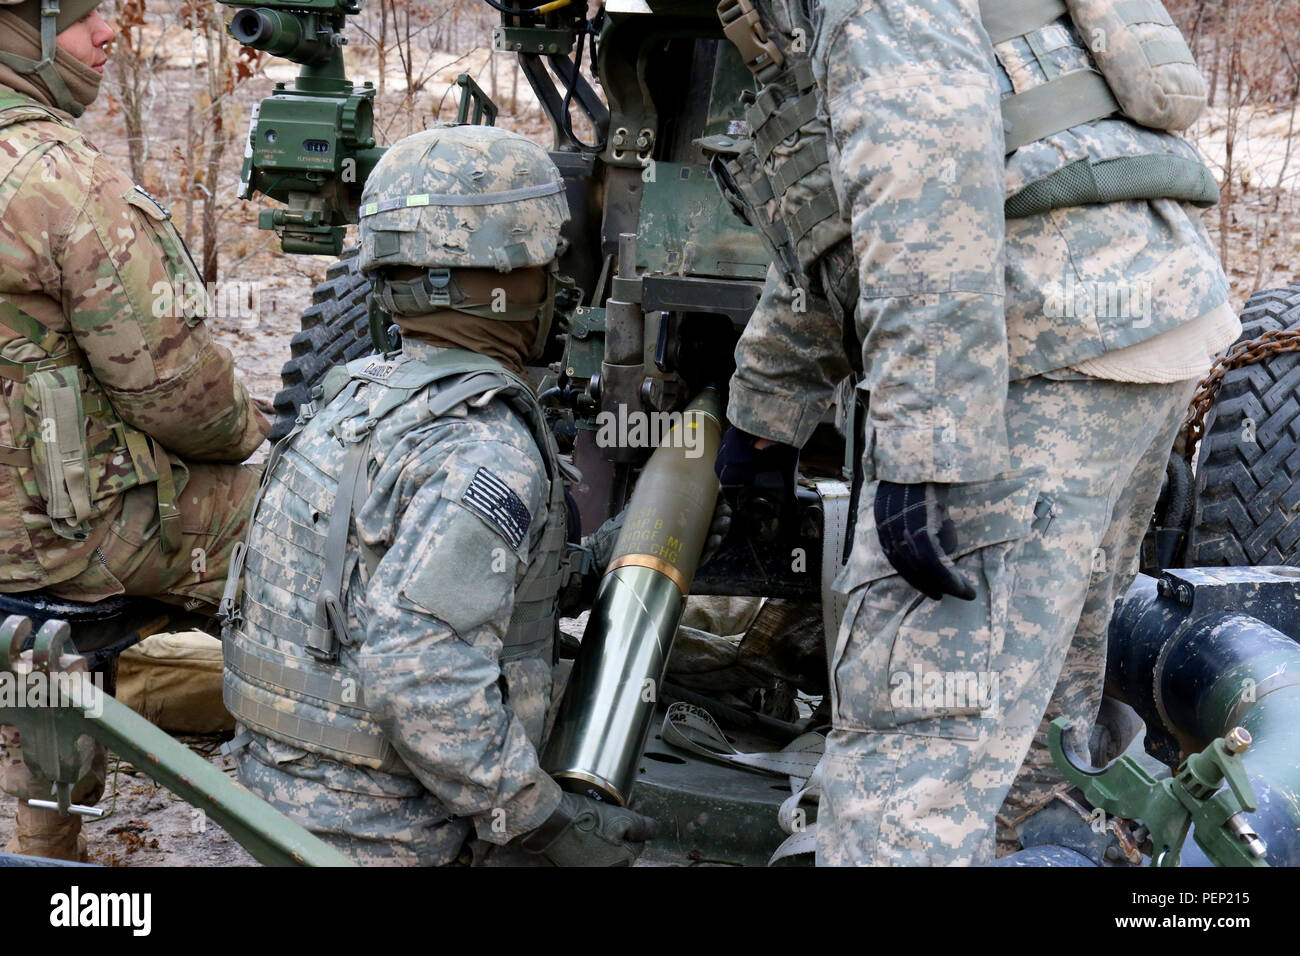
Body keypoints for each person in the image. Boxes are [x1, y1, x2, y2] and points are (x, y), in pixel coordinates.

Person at [714, 0, 1237, 864]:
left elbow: (926, 190)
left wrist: (931, 449)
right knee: (1044, 727)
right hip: (1130, 327)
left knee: (915, 740)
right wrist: (767, 414)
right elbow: (838, 210)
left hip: (1043, 352)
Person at [219, 124, 657, 867]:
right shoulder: (485, 446)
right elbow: (418, 671)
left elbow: (381, 589)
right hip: (384, 838)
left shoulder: (352, 400)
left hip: (276, 809)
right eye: (550, 264)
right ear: (515, 277)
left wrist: (590, 566)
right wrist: (539, 821)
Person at [0, 0, 268, 861]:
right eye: (82, 18)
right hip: (63, 546)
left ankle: (49, 841)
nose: (108, 34)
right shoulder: (61, 182)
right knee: (310, 524)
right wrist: (255, 432)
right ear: (22, 34)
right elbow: (179, 394)